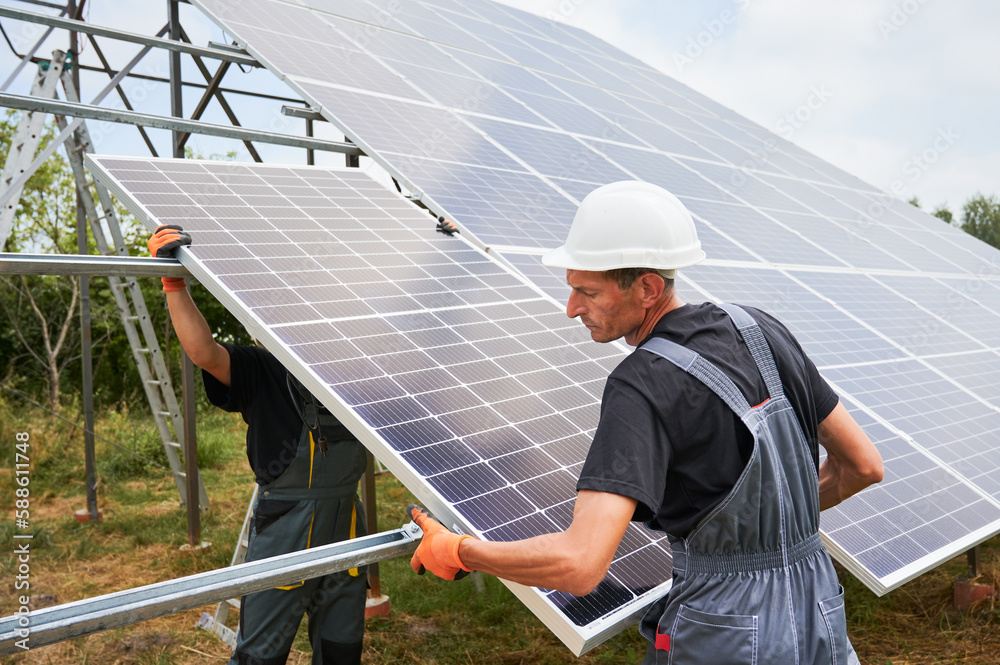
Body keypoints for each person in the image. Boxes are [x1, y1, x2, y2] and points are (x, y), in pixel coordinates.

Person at [407, 181, 884, 664]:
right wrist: (768, 538)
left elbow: (580, 564)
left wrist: (460, 550)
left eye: (587, 291)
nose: (571, 308)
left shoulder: (642, 384)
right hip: (819, 610)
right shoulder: (762, 328)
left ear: (648, 287)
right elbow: (863, 466)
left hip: (727, 633)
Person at [148, 225, 369, 665]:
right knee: (261, 655)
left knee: (343, 648)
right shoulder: (262, 368)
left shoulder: (349, 364)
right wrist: (174, 283)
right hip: (286, 524)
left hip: (346, 522)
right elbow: (203, 352)